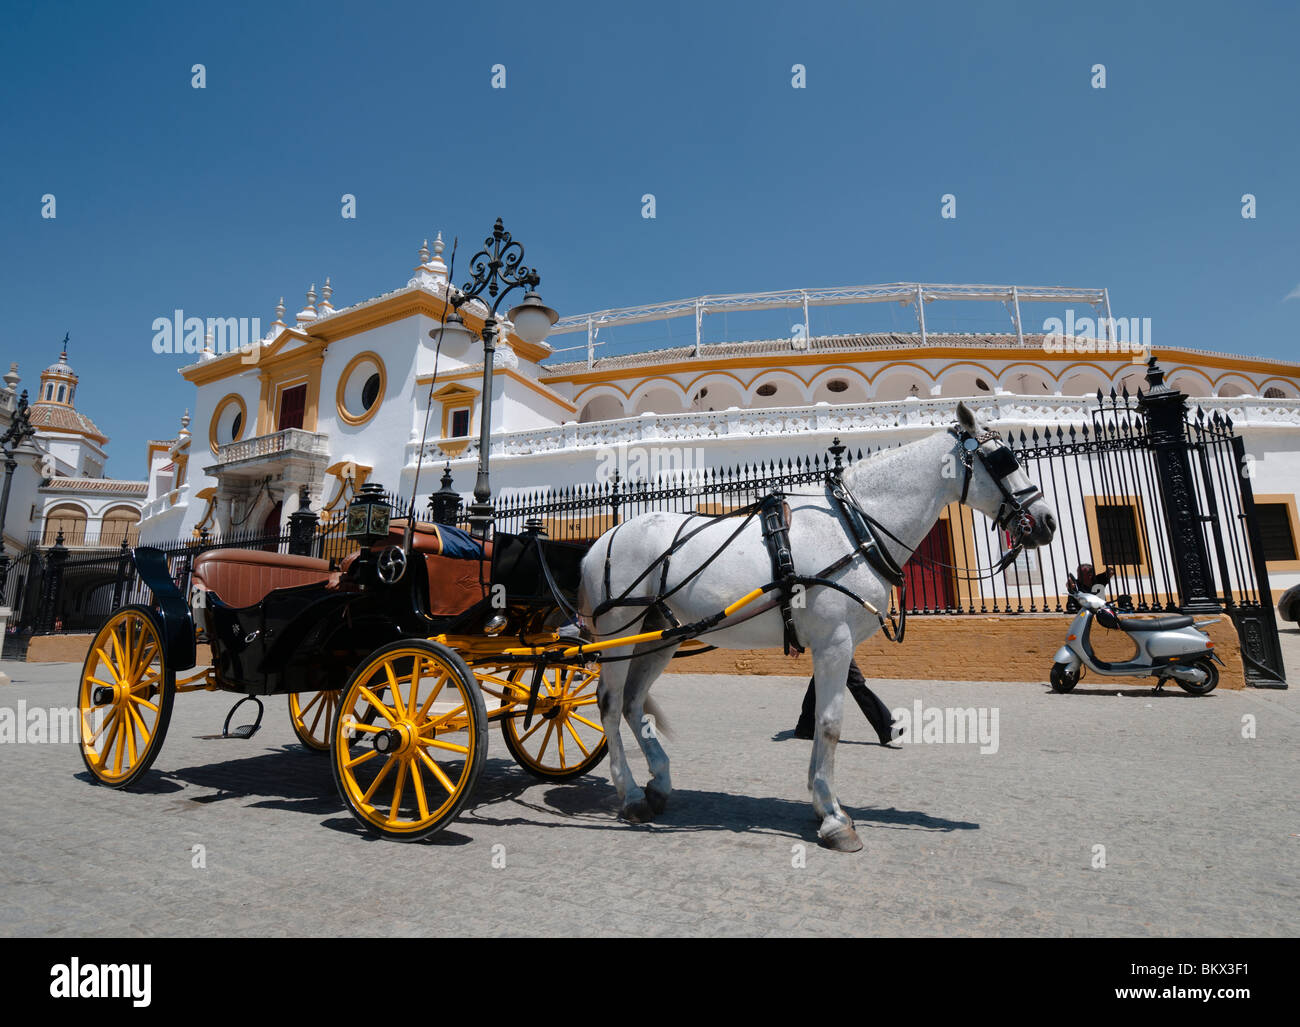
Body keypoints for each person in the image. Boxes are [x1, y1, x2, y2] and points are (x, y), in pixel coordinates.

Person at [794, 658, 896, 745]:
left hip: (837, 645)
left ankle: (805, 727)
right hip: (835, 647)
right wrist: (796, 645)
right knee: (857, 685)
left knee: (818, 682)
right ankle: (888, 729)